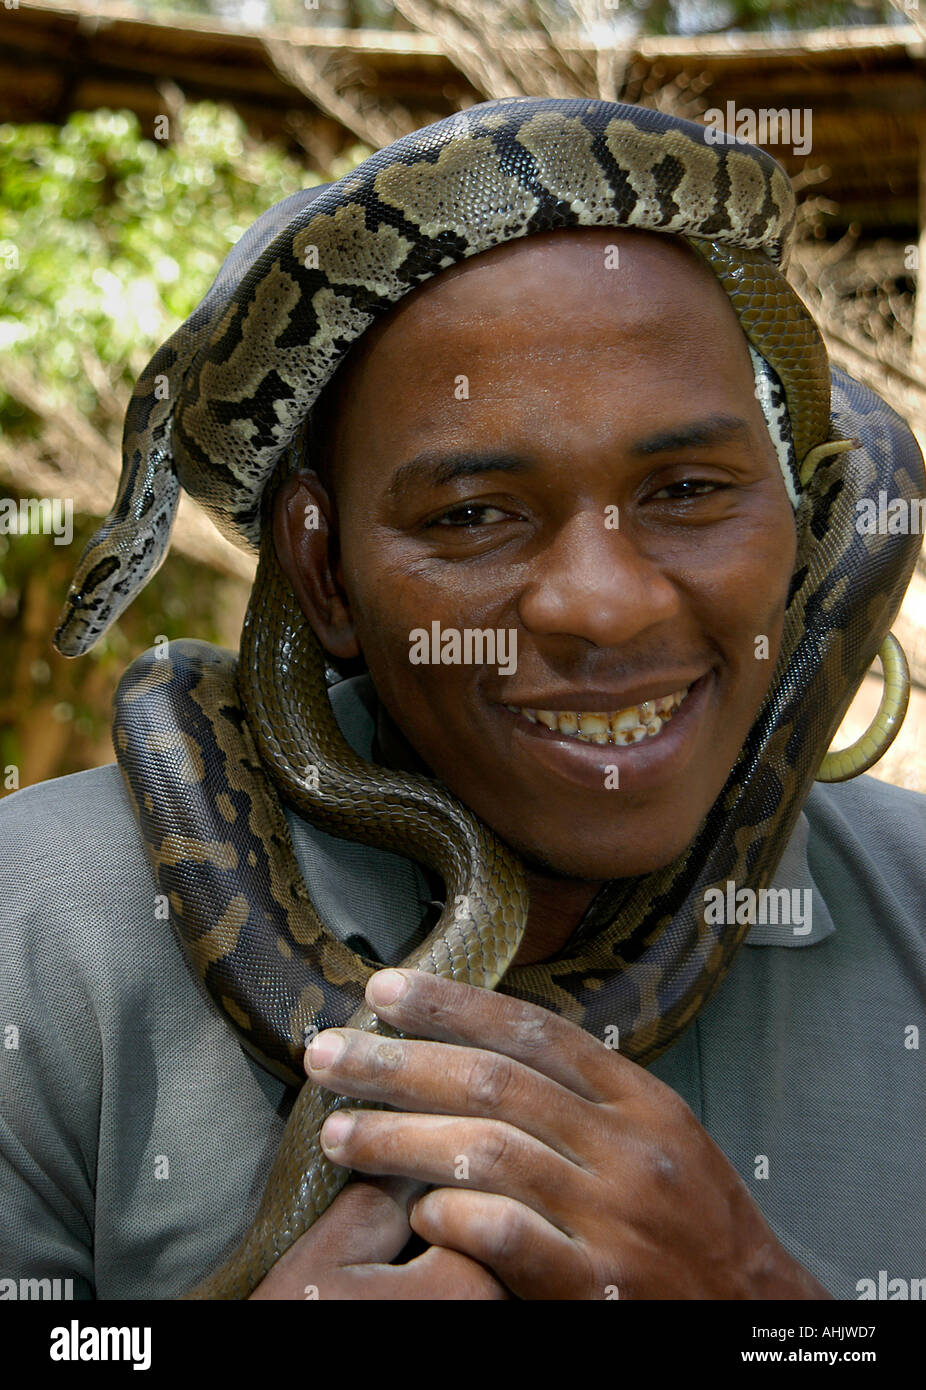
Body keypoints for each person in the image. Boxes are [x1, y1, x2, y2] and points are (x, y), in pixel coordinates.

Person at [1, 100, 924, 1303]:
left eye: (688, 488)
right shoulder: (34, 939)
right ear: (323, 576)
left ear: (803, 522)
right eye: (473, 515)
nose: (605, 607)